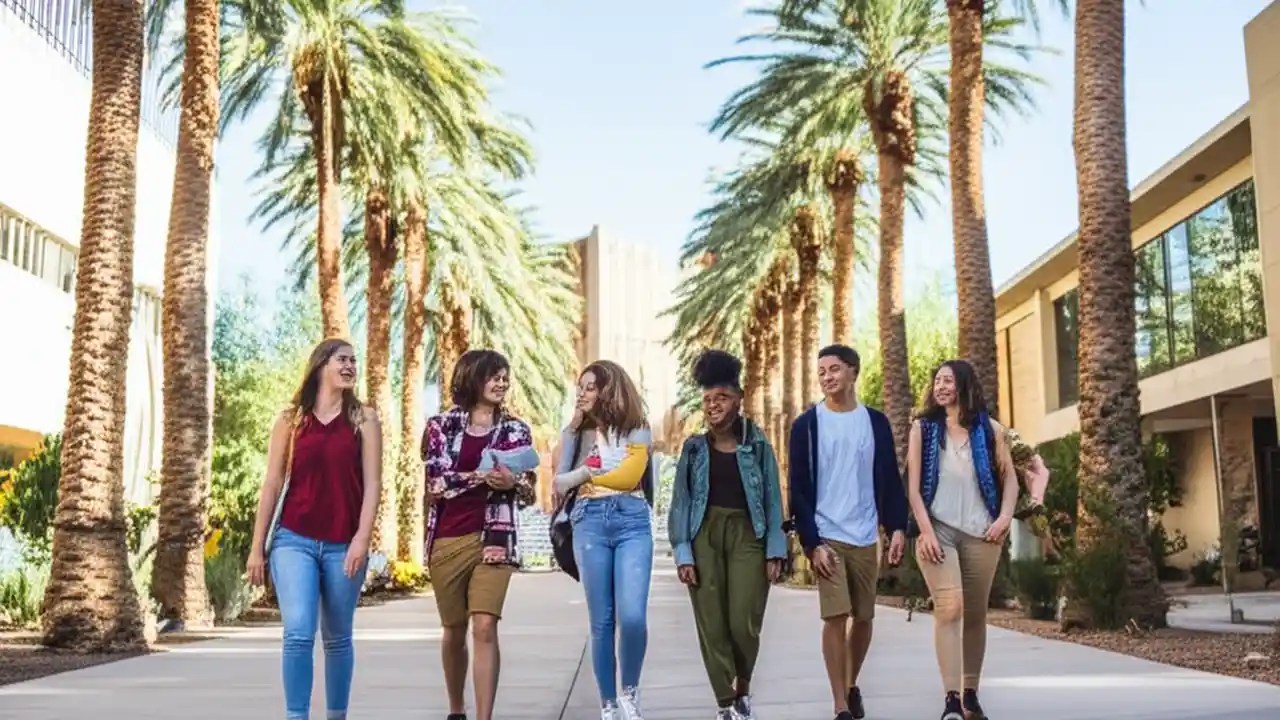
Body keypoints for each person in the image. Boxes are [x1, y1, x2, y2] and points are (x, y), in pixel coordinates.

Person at [246, 338, 382, 720]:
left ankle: (336, 716)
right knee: (299, 633)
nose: (350, 366)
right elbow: (272, 483)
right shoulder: (291, 421)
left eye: (354, 360)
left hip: (344, 544)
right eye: (343, 359)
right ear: (321, 364)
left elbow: (373, 484)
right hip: (294, 539)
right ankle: (296, 716)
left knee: (337, 638)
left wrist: (361, 539)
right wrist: (258, 546)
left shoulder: (364, 419)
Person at [788, 344, 908, 720]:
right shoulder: (807, 426)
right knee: (835, 617)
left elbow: (889, 478)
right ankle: (840, 704)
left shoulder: (875, 423)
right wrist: (811, 542)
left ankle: (851, 684)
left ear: (853, 372)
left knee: (865, 618)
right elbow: (799, 488)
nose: (827, 377)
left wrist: (897, 527)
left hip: (865, 533)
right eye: (821, 371)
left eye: (834, 369)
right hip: (827, 534)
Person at [668, 350, 787, 720]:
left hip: (748, 534)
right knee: (711, 623)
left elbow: (771, 496)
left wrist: (775, 549)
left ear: (738, 401)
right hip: (704, 534)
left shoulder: (758, 444)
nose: (713, 406)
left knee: (743, 621)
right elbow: (680, 504)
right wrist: (683, 553)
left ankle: (743, 688)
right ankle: (725, 702)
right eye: (707, 400)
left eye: (721, 398)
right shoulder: (693, 449)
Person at [423, 349, 538, 720]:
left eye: (505, 376)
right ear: (472, 377)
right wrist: (484, 478)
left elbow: (528, 489)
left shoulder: (516, 429)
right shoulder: (441, 426)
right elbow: (437, 482)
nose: (501, 382)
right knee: (454, 630)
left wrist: (513, 481)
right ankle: (456, 710)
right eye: (493, 375)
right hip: (447, 539)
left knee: (485, 626)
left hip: (495, 538)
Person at [906, 360, 1019, 720]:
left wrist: (1004, 518)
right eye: (937, 380)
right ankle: (951, 700)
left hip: (982, 531)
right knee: (950, 606)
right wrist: (924, 531)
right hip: (937, 529)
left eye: (948, 380)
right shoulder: (923, 429)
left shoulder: (990, 430)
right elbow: (913, 487)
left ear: (964, 386)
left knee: (975, 614)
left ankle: (970, 695)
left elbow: (1011, 480)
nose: (940, 386)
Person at [554, 360, 654, 720]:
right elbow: (560, 482)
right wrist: (582, 469)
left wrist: (588, 477)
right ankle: (609, 705)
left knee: (632, 617)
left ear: (609, 390)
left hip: (632, 521)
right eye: (579, 387)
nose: (581, 393)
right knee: (601, 621)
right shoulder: (575, 432)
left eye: (590, 386)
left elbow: (630, 479)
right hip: (589, 521)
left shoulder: (638, 429)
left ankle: (630, 692)